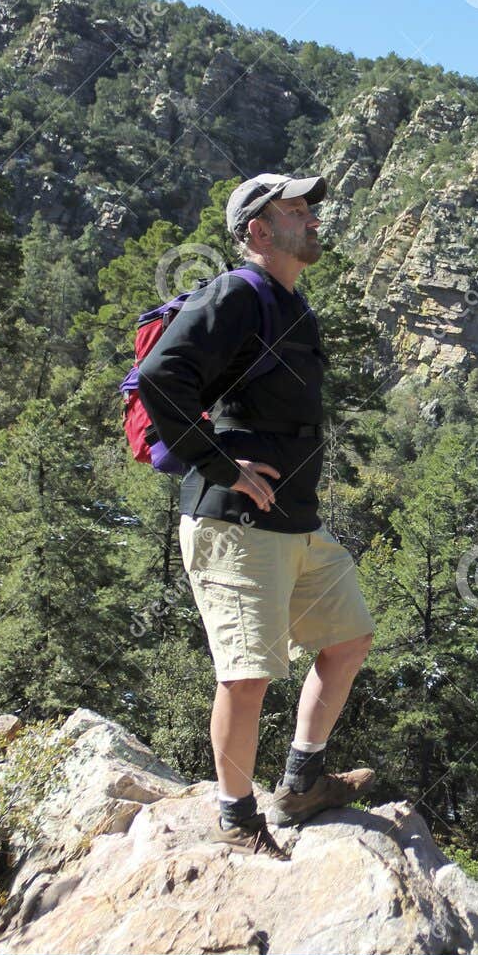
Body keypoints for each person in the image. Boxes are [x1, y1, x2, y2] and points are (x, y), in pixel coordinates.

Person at [138, 172, 377, 859]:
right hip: (234, 525)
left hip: (296, 522)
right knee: (246, 677)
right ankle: (238, 819)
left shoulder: (292, 304)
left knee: (348, 638)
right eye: (297, 210)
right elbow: (161, 376)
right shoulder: (237, 293)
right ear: (259, 231)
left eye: (310, 209)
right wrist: (220, 463)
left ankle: (301, 779)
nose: (313, 219)